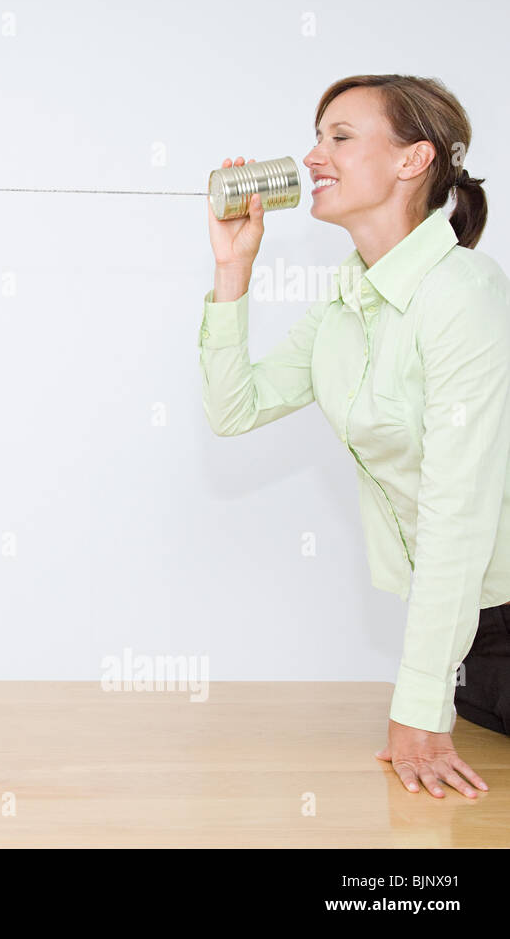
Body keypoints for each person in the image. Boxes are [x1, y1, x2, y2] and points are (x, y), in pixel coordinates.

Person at [199, 74, 510, 800]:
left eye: (339, 137)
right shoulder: (346, 305)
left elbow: (458, 513)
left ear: (414, 160)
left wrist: (417, 707)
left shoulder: (462, 295)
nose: (312, 156)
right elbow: (233, 409)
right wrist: (233, 268)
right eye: (317, 138)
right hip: (470, 643)